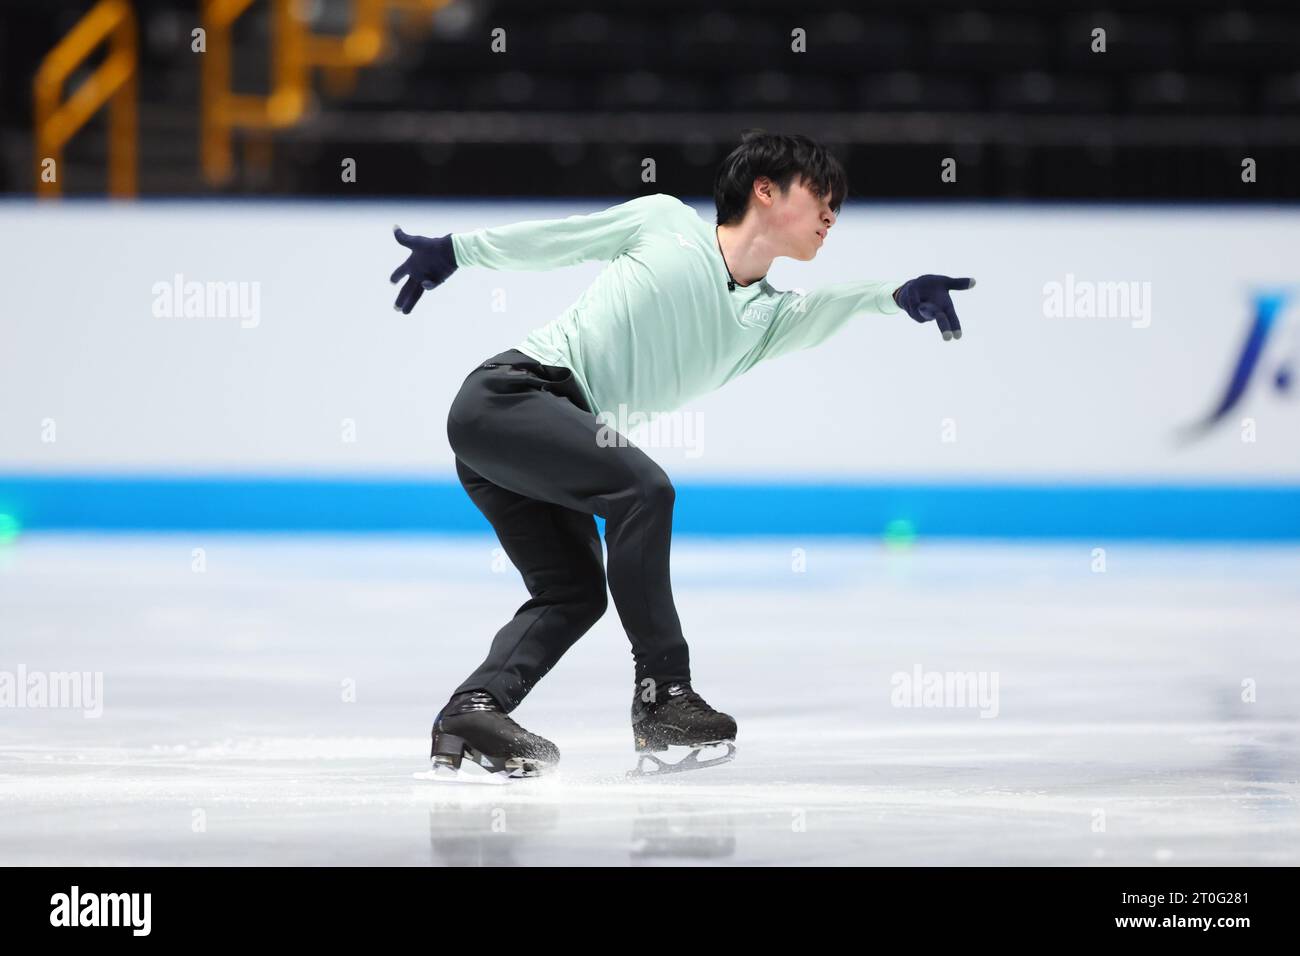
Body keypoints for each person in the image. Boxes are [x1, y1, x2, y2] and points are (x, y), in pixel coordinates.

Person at [388, 129, 975, 778]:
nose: (833, 213)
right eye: (821, 195)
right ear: (764, 190)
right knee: (646, 490)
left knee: (574, 591)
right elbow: (565, 239)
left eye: (839, 203)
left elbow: (836, 304)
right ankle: (663, 694)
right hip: (508, 398)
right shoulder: (666, 222)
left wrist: (895, 295)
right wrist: (459, 251)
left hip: (541, 441)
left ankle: (475, 705)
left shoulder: (768, 319)